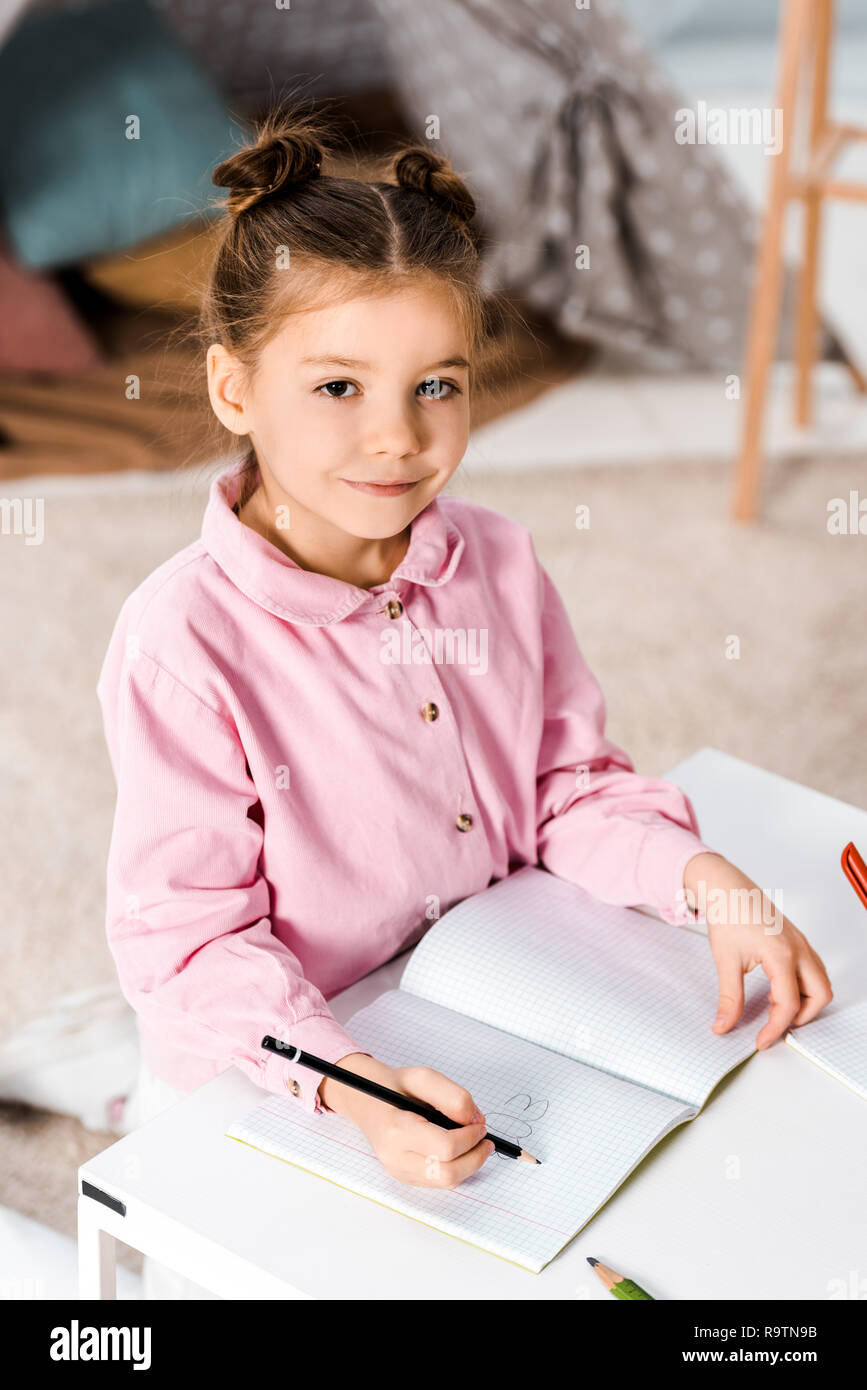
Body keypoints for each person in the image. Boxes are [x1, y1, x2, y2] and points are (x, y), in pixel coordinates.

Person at [97, 104, 833, 1298]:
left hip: (489, 998)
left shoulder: (495, 556)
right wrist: (351, 1081)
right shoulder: (180, 641)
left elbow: (566, 786)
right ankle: (109, 1085)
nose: (396, 438)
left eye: (435, 384)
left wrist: (708, 882)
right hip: (292, 1066)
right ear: (234, 388)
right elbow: (190, 948)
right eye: (337, 386)